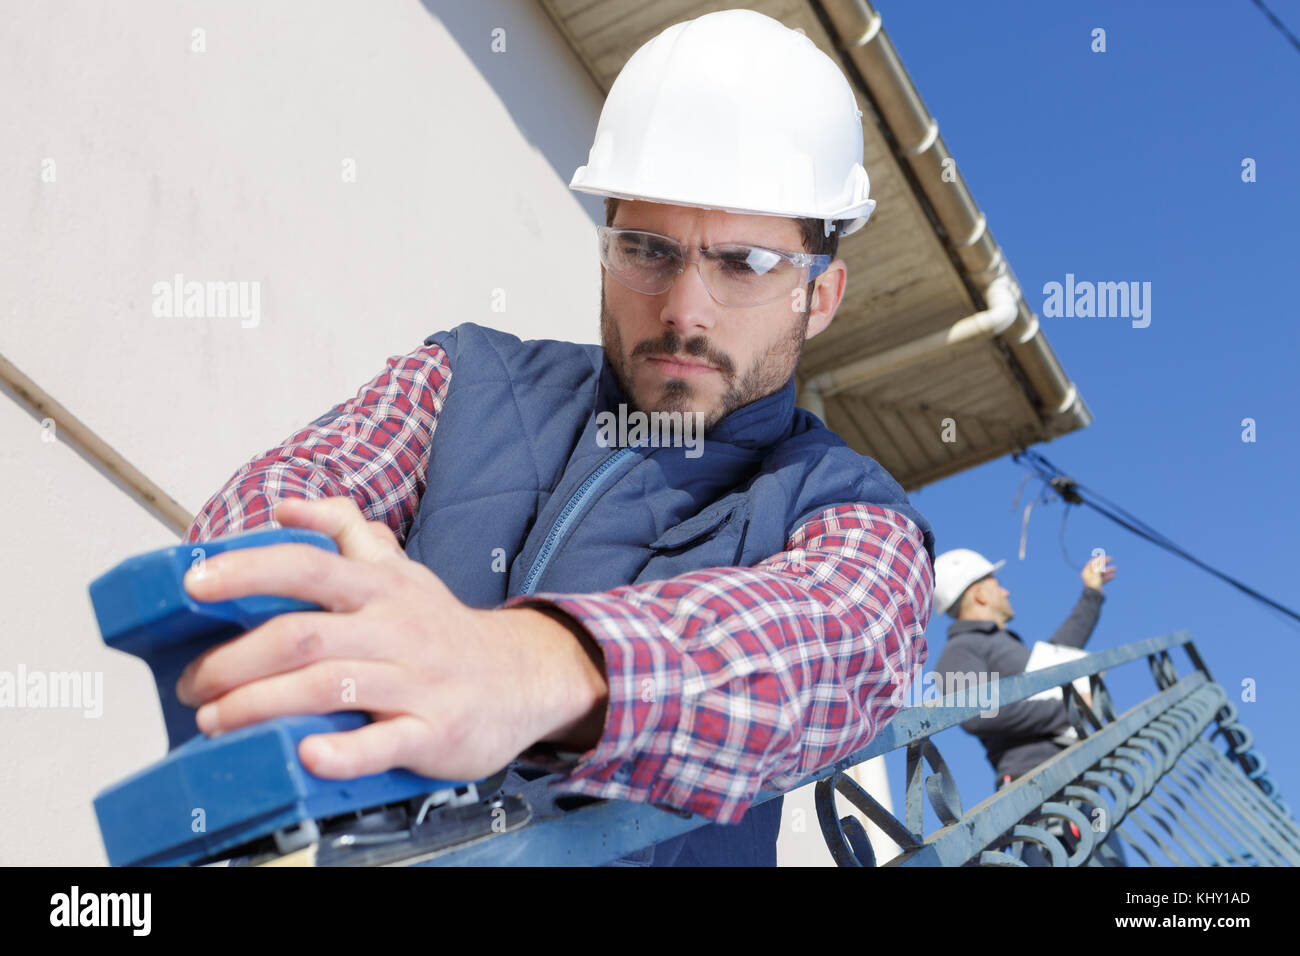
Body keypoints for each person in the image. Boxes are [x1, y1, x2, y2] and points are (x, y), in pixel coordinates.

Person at [173, 9, 935, 867]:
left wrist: (525, 669)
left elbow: (838, 649)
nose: (685, 308)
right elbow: (261, 523)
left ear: (820, 296)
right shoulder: (464, 378)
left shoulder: (849, 509)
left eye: (744, 264)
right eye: (646, 249)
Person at [932, 548, 1126, 865]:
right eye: (997, 583)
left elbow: (1059, 656)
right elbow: (976, 713)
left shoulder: (1003, 644)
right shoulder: (960, 650)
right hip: (1036, 788)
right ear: (980, 594)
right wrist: (1067, 710)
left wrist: (1092, 592)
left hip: (1070, 779)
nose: (1006, 590)